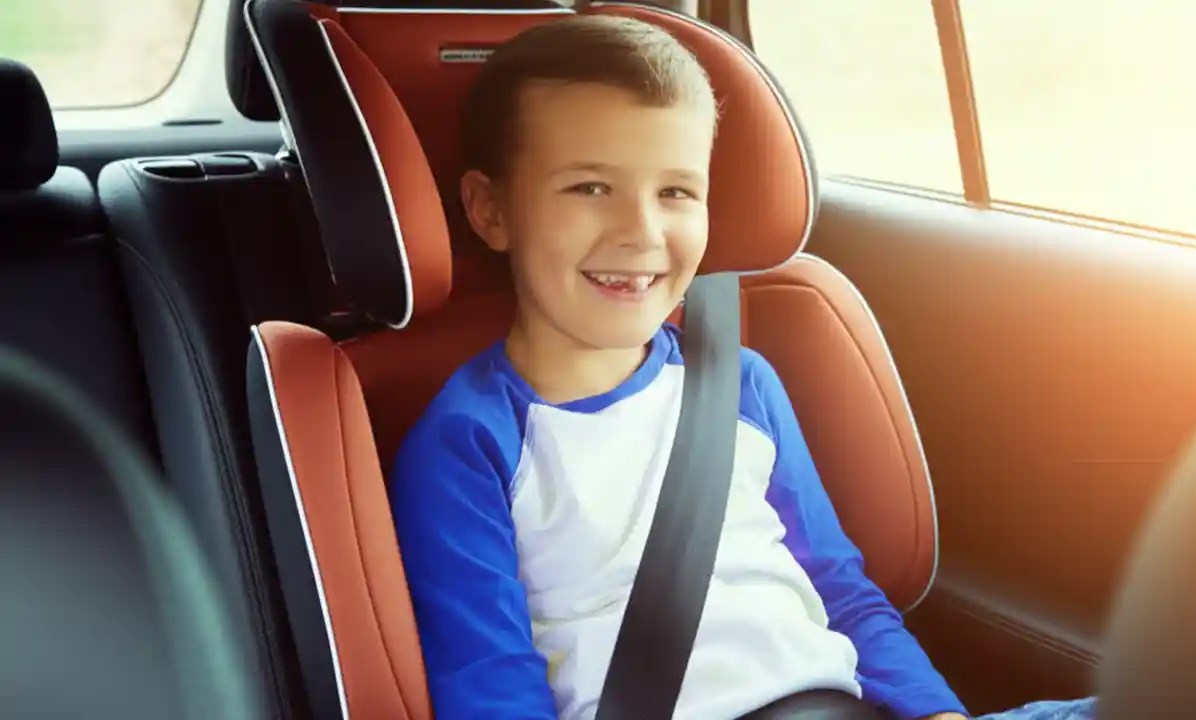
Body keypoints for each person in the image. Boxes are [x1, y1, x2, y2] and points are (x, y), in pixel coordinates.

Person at [391, 15, 1095, 720]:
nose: (642, 231)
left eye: (675, 192)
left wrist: (936, 712)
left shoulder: (739, 383)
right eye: (590, 189)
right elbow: (492, 686)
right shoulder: (469, 442)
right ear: (490, 210)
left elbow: (842, 594)